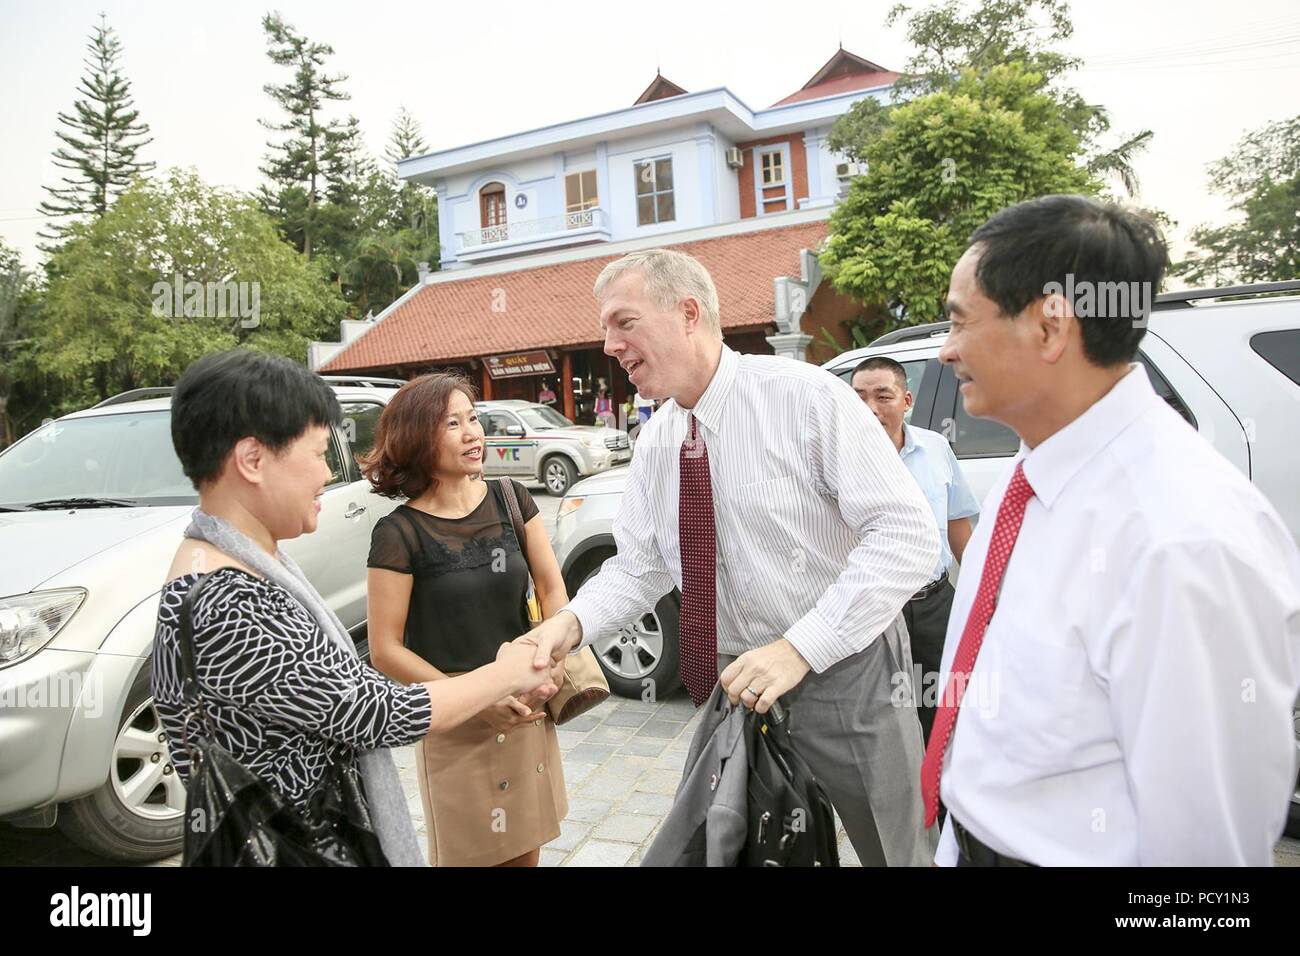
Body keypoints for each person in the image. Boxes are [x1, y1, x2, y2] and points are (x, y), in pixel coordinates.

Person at [518, 248, 941, 866]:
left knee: (895, 848)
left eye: (624, 322)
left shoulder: (807, 399)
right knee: (727, 848)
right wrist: (567, 628)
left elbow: (907, 535)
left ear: (688, 312)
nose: (608, 344)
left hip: (848, 670)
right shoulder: (660, 437)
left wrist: (801, 649)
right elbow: (641, 566)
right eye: (605, 328)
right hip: (740, 682)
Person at [924, 194, 1300, 866]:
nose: (946, 351)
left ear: (1049, 327)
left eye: (958, 322)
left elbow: (1205, 849)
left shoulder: (1182, 539)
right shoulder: (1035, 470)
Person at [152, 350, 557, 867]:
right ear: (252, 459)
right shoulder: (224, 599)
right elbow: (370, 712)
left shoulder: (237, 566)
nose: (326, 475)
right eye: (319, 453)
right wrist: (506, 674)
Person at [361, 372, 570, 867]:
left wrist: (553, 658)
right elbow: (385, 650)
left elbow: (551, 587)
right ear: (417, 438)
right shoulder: (398, 533)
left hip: (524, 707)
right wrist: (474, 703)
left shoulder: (511, 499)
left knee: (525, 853)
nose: (472, 433)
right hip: (455, 720)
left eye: (472, 419)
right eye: (452, 423)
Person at [851, 356, 979, 744]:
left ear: (907, 401)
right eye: (858, 397)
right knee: (882, 716)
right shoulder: (838, 459)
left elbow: (959, 527)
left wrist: (981, 598)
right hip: (873, 610)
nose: (870, 408)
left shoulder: (936, 449)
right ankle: (899, 799)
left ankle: (943, 795)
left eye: (883, 396)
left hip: (934, 604)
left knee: (948, 708)